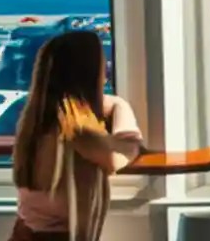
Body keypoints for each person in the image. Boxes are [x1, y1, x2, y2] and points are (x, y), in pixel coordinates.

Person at [11, 30, 143, 241]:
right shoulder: (77, 132)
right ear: (88, 74)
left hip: (26, 233)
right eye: (103, 65)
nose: (106, 73)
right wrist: (121, 106)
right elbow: (124, 152)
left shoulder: (39, 121)